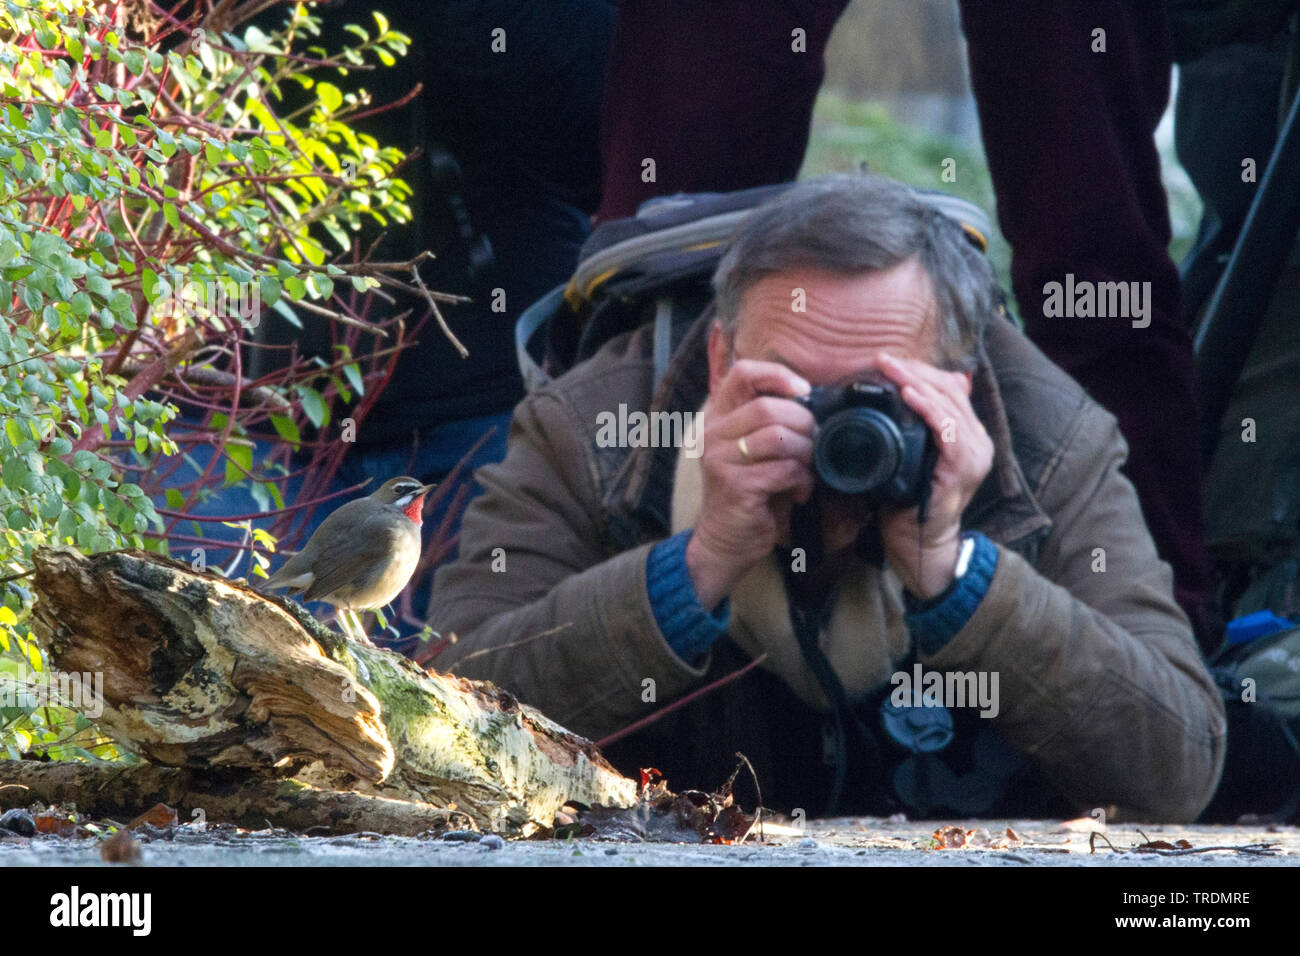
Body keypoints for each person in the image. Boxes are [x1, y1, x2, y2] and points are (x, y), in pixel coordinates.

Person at [430, 175, 1226, 821]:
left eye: (874, 394)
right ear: (719, 356)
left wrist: (962, 581)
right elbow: (444, 721)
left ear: (960, 378)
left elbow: (1177, 767)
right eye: (796, 389)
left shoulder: (1049, 440)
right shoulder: (592, 429)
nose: (839, 434)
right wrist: (695, 567)